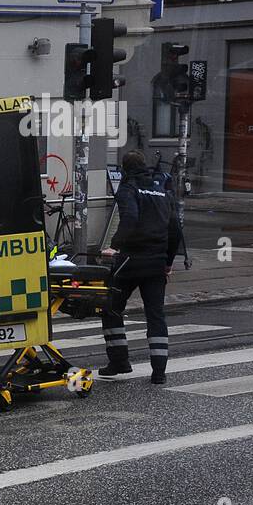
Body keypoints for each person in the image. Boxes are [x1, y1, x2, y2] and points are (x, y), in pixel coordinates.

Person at [98, 150, 184, 385]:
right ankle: (159, 372)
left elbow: (130, 219)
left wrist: (114, 246)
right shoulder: (161, 188)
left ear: (125, 169)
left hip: (129, 262)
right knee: (156, 315)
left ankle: (119, 361)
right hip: (156, 263)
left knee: (112, 308)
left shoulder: (128, 188)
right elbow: (175, 229)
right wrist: (167, 262)